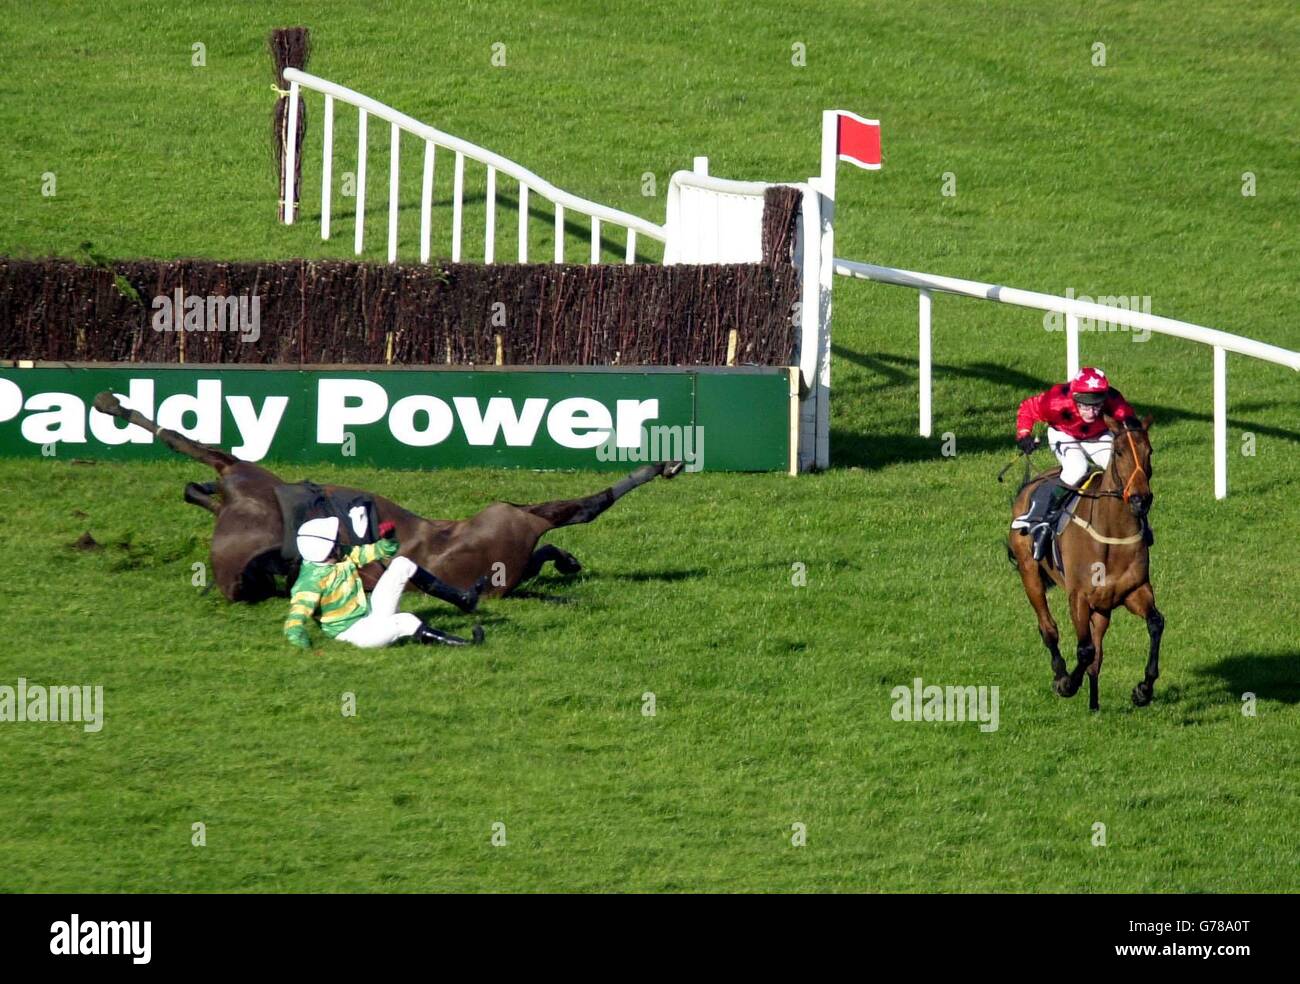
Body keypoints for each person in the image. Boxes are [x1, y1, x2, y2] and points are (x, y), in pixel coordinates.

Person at [284, 517, 484, 649]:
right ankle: (468, 645)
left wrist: (388, 539)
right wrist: (310, 651)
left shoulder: (342, 555)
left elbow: (380, 552)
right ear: (326, 548)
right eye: (335, 540)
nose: (339, 540)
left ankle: (463, 600)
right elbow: (293, 625)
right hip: (351, 634)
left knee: (401, 564)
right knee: (406, 621)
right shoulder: (309, 582)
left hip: (368, 615)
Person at [1011, 366, 1140, 560]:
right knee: (1077, 469)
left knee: (1119, 470)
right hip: (1064, 433)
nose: (1091, 412)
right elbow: (1028, 408)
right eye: (1085, 405)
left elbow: (1128, 418)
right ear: (1074, 397)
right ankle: (1046, 517)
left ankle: (1136, 520)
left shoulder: (1113, 398)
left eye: (1097, 405)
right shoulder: (1056, 401)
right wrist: (1024, 435)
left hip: (1097, 435)